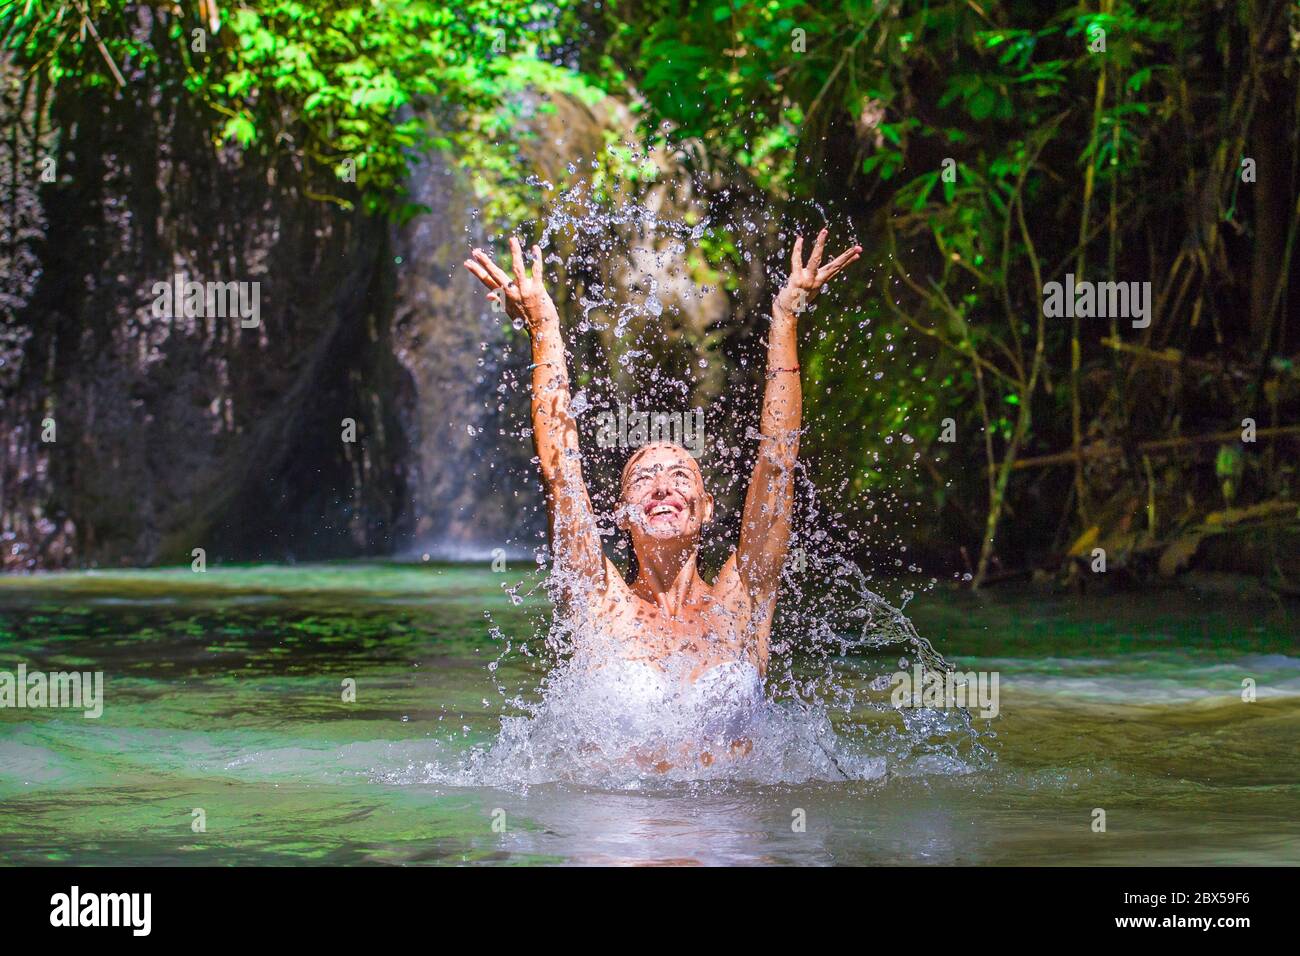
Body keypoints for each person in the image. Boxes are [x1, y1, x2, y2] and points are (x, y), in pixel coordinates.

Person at [464, 229, 861, 770]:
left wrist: (786, 317)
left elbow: (778, 461)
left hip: (729, 843)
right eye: (643, 478)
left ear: (706, 506)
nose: (663, 485)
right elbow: (562, 473)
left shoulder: (743, 600)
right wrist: (544, 327)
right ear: (622, 514)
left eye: (680, 475)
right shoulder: (597, 602)